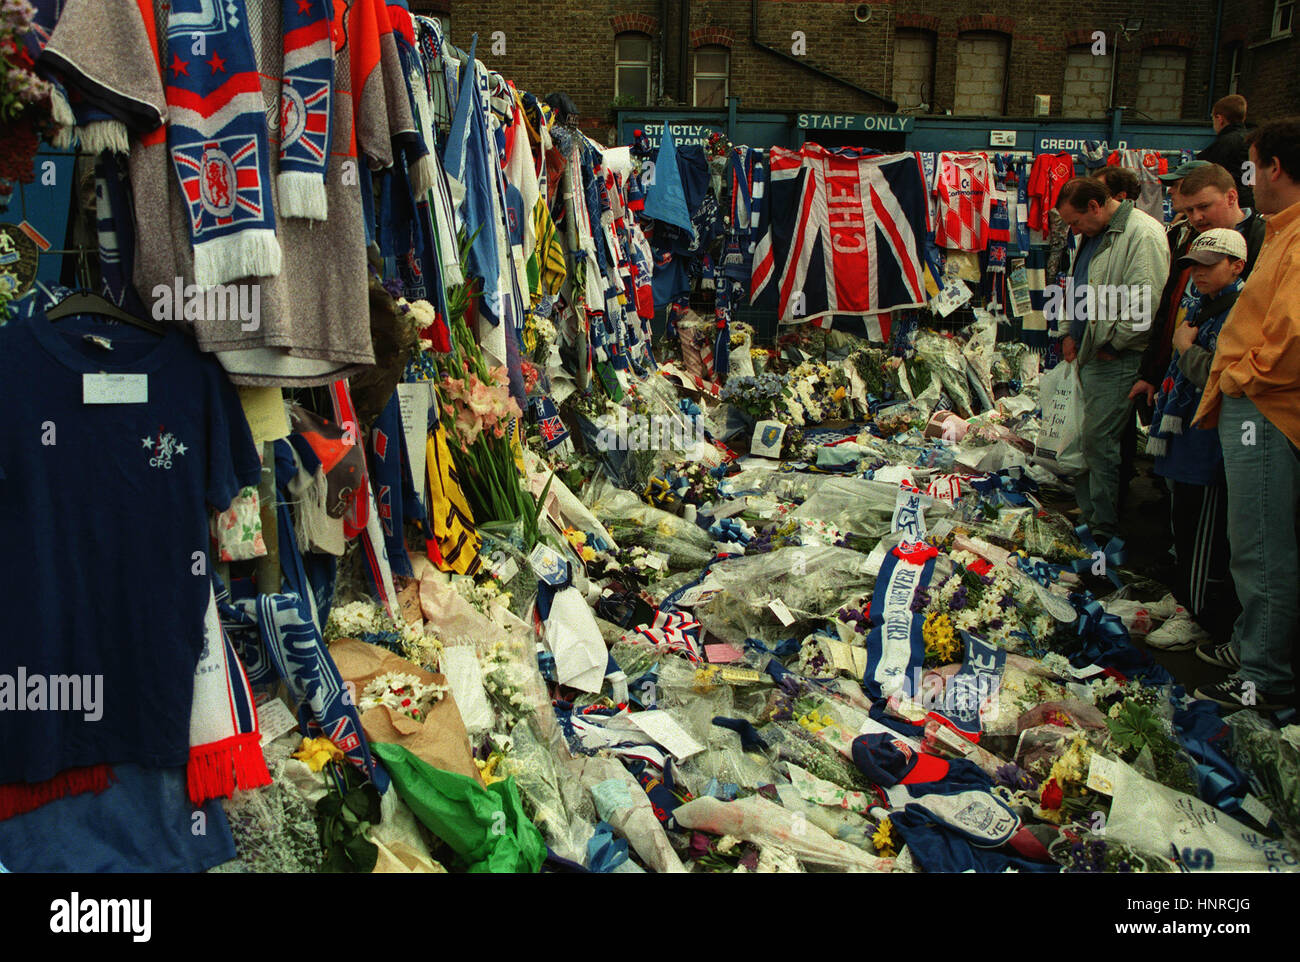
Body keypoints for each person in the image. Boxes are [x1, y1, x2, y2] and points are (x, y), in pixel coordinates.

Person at [1191, 118, 1300, 711]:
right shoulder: (1284, 231)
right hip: (1260, 405)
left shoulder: (1296, 233)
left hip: (1266, 410)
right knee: (1255, 543)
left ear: (1274, 168)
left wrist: (1239, 375)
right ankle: (1253, 650)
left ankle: (1264, 678)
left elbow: (1292, 335)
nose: (1251, 181)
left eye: (1253, 168)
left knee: (1259, 546)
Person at [1143, 229, 1247, 650]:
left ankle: (1200, 614)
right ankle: (1186, 596)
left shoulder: (1239, 310)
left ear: (1237, 266)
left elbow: (1226, 378)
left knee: (1202, 527)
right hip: (1183, 432)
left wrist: (1185, 349)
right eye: (1193, 266)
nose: (1198, 274)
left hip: (1208, 438)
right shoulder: (1200, 304)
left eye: (1209, 265)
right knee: (1183, 521)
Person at [1056, 178, 1170, 541]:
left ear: (1094, 206)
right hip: (1092, 351)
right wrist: (1068, 332)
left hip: (1117, 357)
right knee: (1088, 438)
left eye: (1075, 221)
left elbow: (1146, 304)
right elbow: (1077, 283)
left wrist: (1114, 344)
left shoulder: (1143, 234)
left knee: (1098, 440)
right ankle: (1090, 515)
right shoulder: (1094, 233)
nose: (1073, 230)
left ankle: (1103, 527)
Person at [1130, 163, 1266, 408]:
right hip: (1183, 375)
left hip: (1230, 381)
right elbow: (1169, 306)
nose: (1196, 217)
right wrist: (1150, 373)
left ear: (1231, 197)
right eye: (1189, 210)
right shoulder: (1190, 239)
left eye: (1204, 207)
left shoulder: (1261, 238)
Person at [1198, 95, 1254, 209]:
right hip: (1253, 202)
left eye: (1213, 118)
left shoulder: (1221, 145)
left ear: (1220, 119)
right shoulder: (1254, 141)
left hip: (1228, 205)